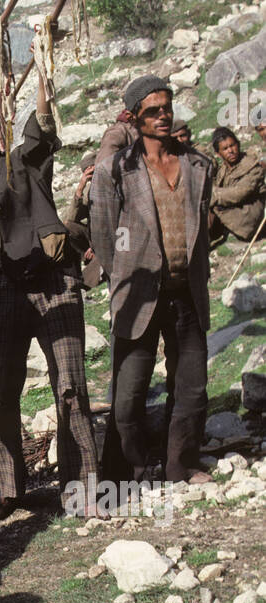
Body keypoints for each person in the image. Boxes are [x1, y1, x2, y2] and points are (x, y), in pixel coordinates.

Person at [0, 68, 100, 521]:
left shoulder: (21, 164)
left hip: (53, 282)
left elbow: (42, 129)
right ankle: (11, 490)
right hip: (4, 292)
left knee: (70, 385)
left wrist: (41, 69)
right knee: (0, 392)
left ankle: (83, 488)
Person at [90, 77, 213, 485]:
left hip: (186, 295)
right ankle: (133, 470)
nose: (163, 115)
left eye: (167, 107)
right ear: (133, 117)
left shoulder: (198, 165)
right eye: (153, 110)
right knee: (128, 395)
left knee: (192, 386)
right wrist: (124, 277)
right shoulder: (115, 170)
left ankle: (183, 465)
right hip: (138, 296)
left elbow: (203, 229)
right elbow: (104, 236)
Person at [208, 127, 266, 243]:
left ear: (238, 145)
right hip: (233, 211)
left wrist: (211, 194)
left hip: (248, 215)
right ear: (218, 153)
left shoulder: (252, 166)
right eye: (225, 149)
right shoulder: (223, 170)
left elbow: (239, 193)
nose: (230, 151)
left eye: (232, 145)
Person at [62, 152, 102, 289]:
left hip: (110, 239)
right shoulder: (90, 190)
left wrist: (96, 246)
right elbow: (71, 219)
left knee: (85, 280)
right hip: (94, 239)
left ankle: (89, 275)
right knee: (66, 228)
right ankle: (88, 260)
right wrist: (80, 188)